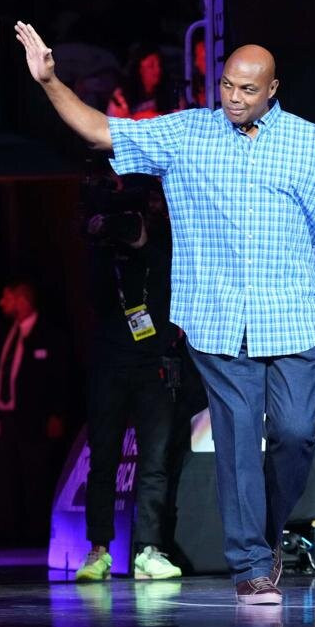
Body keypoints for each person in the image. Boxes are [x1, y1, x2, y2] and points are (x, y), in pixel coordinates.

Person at [15, 22, 315, 604]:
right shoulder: (188, 135)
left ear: (273, 89)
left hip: (296, 317)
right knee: (235, 440)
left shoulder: (311, 144)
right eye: (227, 85)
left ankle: (268, 530)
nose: (233, 97)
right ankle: (251, 563)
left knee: (296, 433)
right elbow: (101, 131)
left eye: (247, 90)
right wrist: (50, 81)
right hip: (217, 319)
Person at [74, 174, 198, 582]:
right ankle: (98, 551)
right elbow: (91, 296)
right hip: (109, 361)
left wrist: (144, 244)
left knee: (155, 461)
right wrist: (101, 238)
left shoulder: (168, 241)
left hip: (154, 362)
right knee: (104, 459)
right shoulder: (104, 250)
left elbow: (172, 279)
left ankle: (149, 549)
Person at [0, 280, 68, 545]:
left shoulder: (49, 334)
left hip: (34, 419)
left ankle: (36, 534)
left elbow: (60, 378)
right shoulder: (3, 332)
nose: (3, 304)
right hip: (4, 417)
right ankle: (4, 534)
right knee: (2, 477)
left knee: (35, 476)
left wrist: (57, 414)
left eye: (7, 297)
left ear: (22, 299)